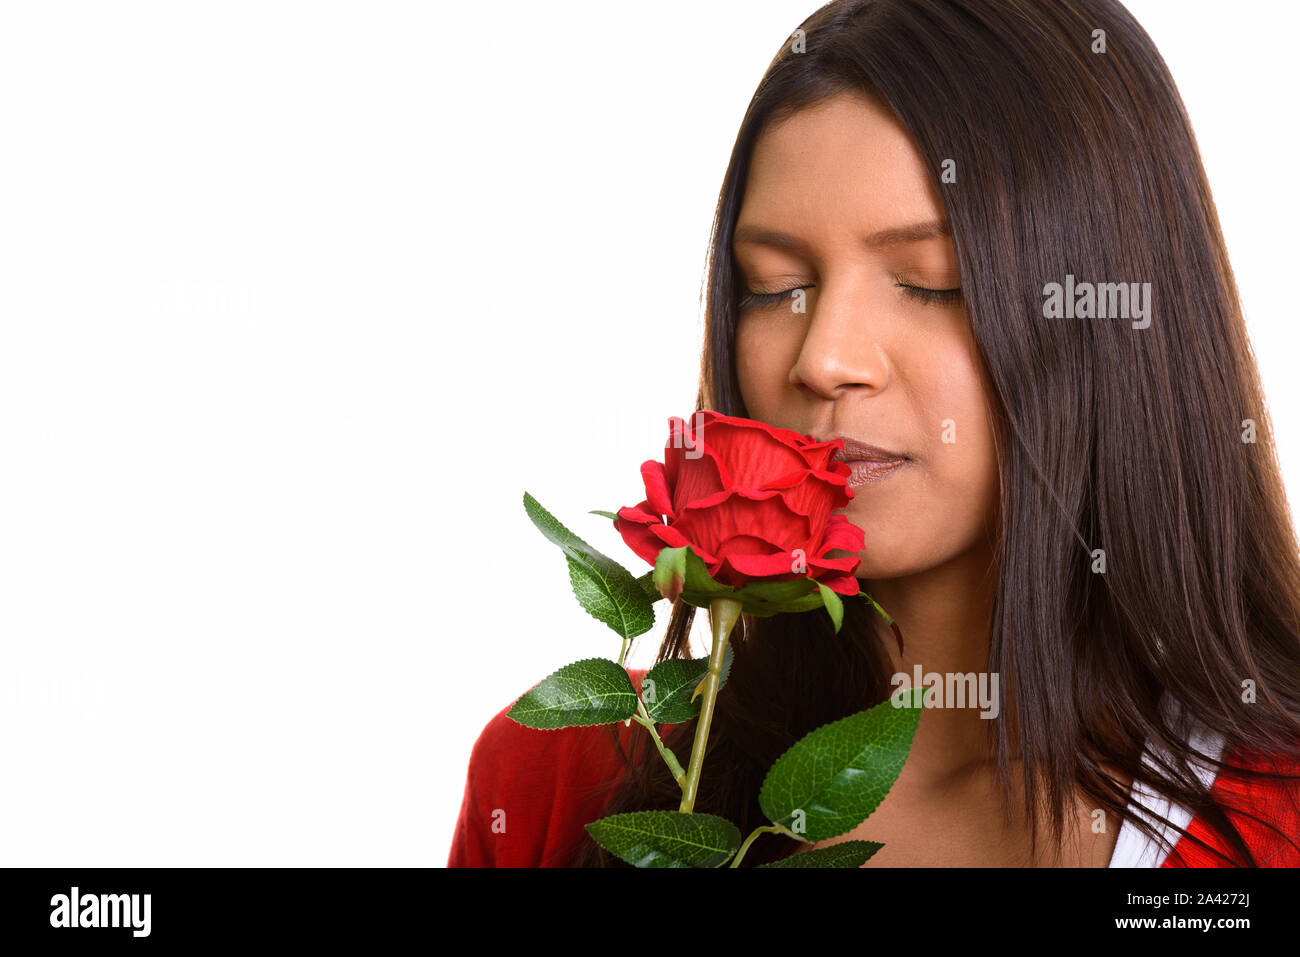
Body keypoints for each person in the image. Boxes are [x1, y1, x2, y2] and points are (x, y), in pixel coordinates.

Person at [449, 0, 1300, 867]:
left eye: (930, 283)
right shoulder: (559, 779)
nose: (824, 359)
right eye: (777, 285)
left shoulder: (1275, 822)